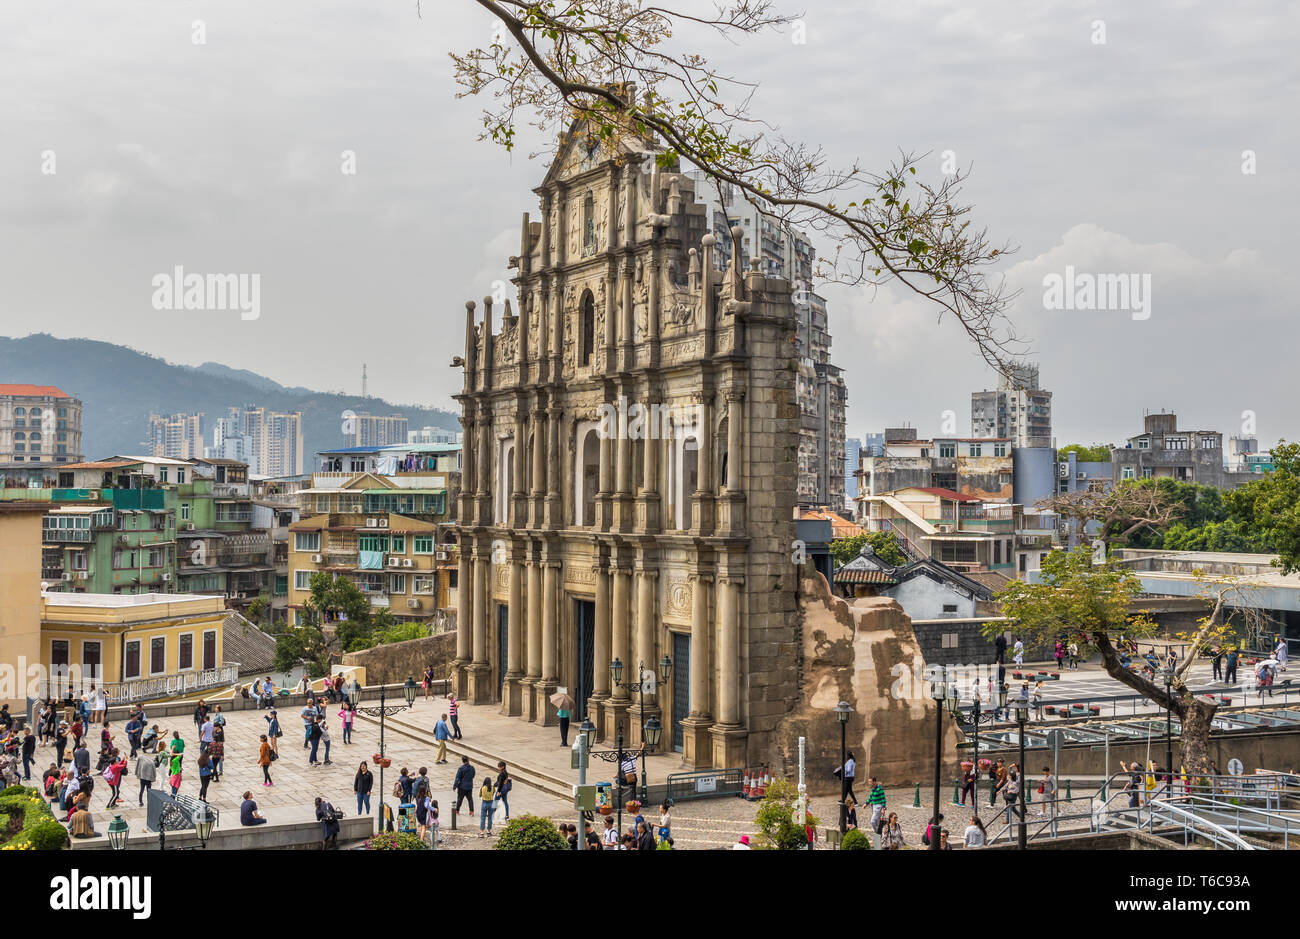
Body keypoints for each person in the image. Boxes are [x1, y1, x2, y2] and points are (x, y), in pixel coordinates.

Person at [477, 773, 496, 837]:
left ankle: (482, 832)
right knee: (490, 817)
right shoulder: (493, 787)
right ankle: (489, 831)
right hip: (491, 803)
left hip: (484, 803)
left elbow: (479, 795)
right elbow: (493, 793)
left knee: (483, 817)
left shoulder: (483, 788)